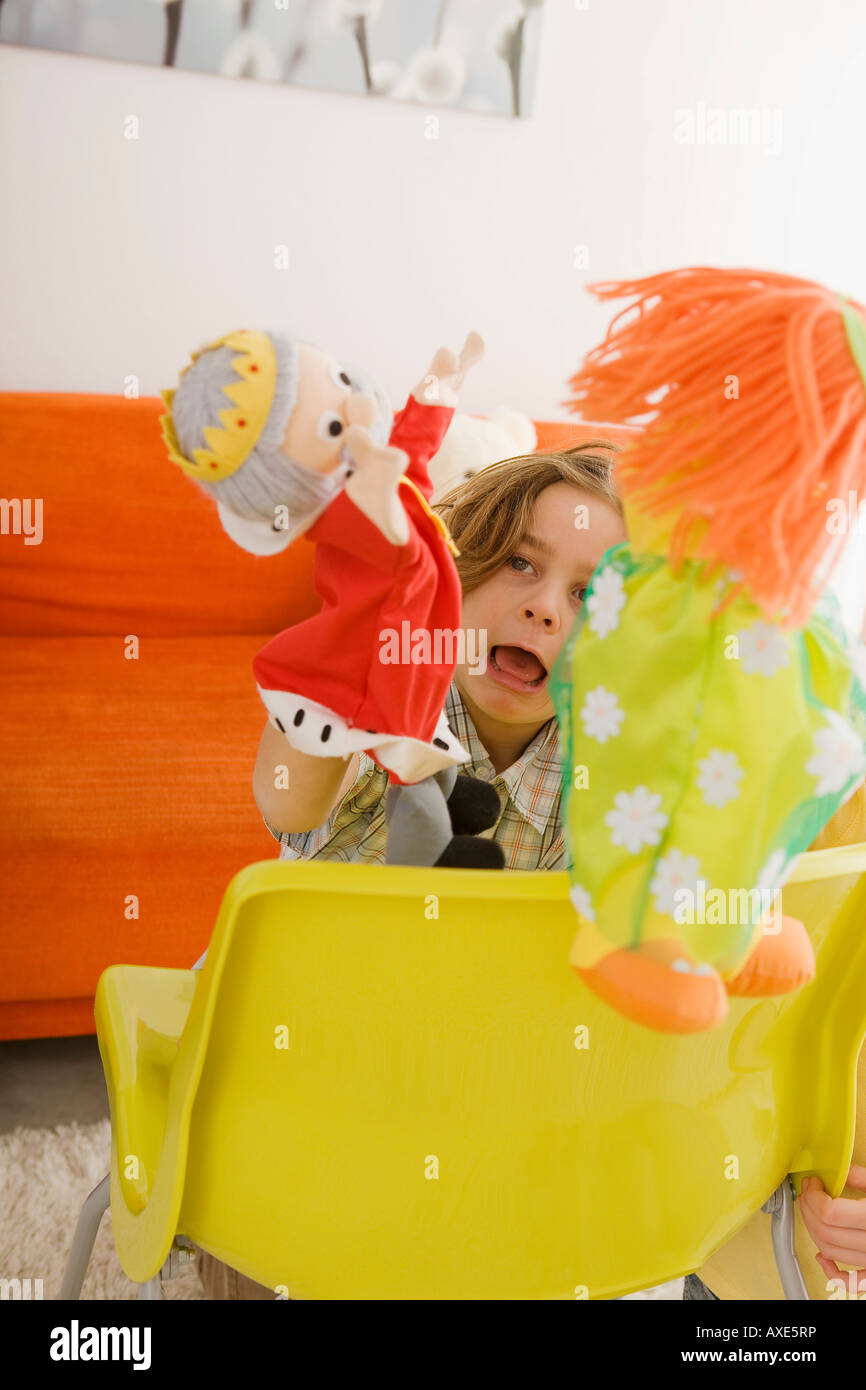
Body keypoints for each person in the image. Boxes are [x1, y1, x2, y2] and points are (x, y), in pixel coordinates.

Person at [192, 441, 628, 1297]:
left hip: (467, 1077)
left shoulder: (606, 765)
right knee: (275, 1234)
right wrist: (348, 655)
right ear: (451, 569)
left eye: (589, 598)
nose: (546, 609)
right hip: (295, 1057)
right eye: (519, 565)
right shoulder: (387, 693)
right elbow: (284, 799)